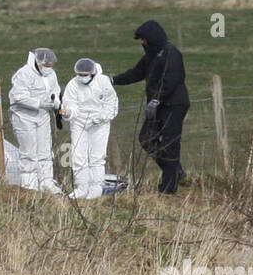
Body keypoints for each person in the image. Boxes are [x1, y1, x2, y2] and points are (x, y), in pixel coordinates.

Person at [112, 21, 190, 194]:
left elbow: (172, 79)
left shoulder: (171, 53)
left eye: (143, 39)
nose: (142, 43)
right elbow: (136, 73)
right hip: (156, 105)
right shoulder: (151, 56)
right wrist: (112, 81)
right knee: (146, 138)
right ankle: (175, 171)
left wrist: (157, 99)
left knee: (170, 144)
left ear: (152, 38)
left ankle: (168, 188)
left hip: (173, 104)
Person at [62, 57, 119, 200]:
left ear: (93, 73)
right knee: (77, 155)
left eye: (85, 75)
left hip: (99, 123)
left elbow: (111, 104)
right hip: (79, 123)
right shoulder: (73, 85)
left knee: (97, 156)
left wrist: (100, 117)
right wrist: (69, 112)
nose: (82, 77)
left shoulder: (103, 82)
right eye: (79, 75)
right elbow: (70, 104)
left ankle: (96, 188)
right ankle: (81, 187)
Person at [8, 47, 64, 194]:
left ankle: (46, 182)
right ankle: (30, 186)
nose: (48, 68)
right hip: (23, 117)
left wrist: (56, 101)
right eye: (46, 65)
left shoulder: (51, 74)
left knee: (45, 151)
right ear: (38, 62)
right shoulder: (23, 74)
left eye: (51, 66)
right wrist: (39, 103)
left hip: (43, 116)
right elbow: (18, 96)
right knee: (29, 152)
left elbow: (55, 90)